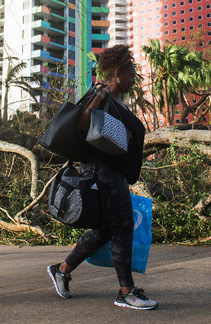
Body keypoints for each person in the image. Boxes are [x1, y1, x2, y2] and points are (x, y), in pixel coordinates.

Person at [46, 44, 157, 310]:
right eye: (131, 74)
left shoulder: (117, 100)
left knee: (106, 230)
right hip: (102, 173)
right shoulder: (103, 94)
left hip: (112, 172)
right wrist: (101, 93)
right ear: (118, 72)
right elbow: (83, 123)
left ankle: (62, 269)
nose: (133, 79)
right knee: (122, 228)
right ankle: (126, 292)